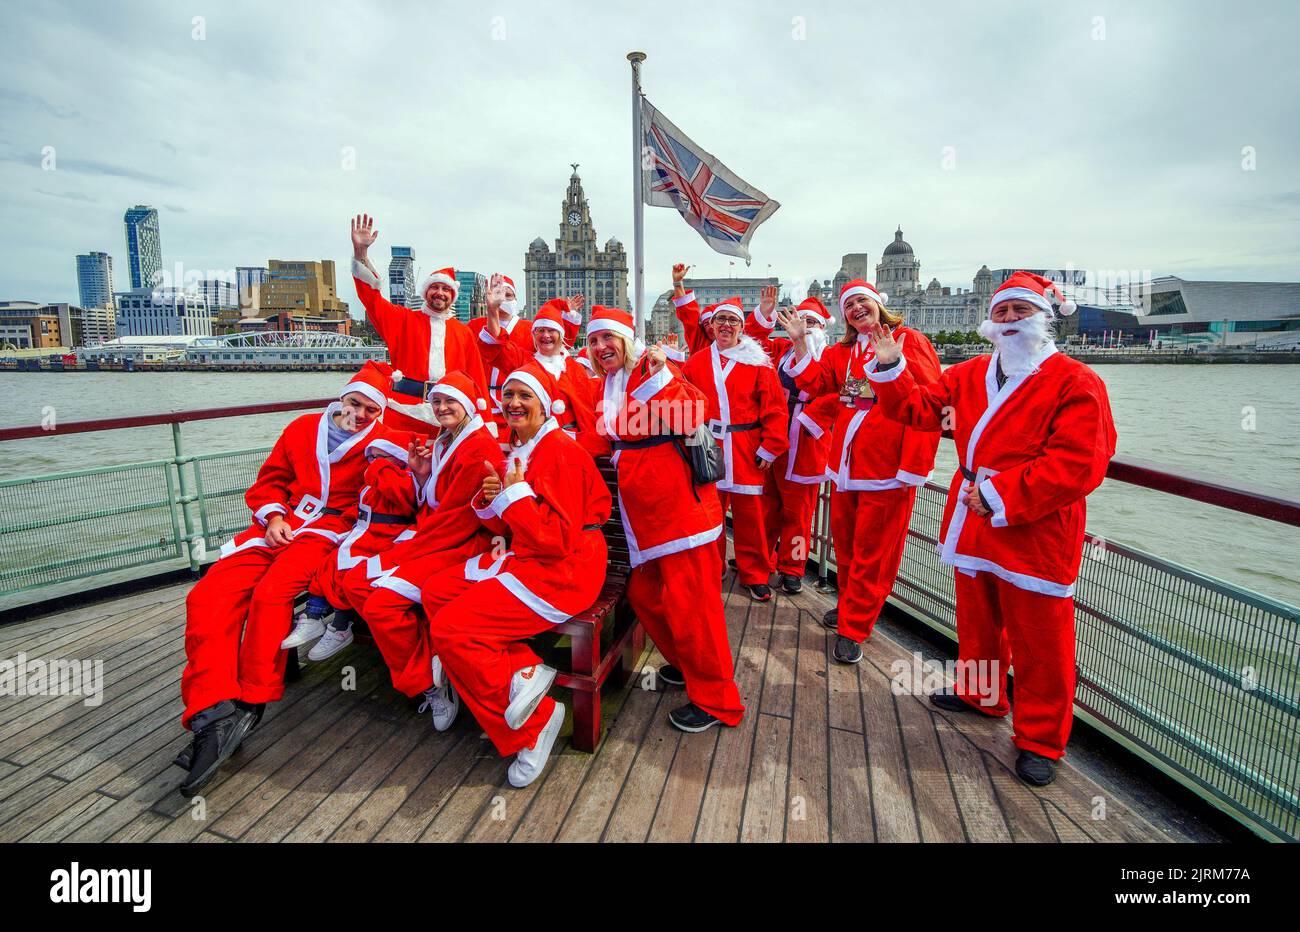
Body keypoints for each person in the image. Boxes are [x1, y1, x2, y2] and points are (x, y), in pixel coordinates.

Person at [863, 271, 1116, 787]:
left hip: (1036, 525)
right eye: (1001, 313)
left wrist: (1002, 494)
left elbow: (1081, 463)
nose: (1008, 322)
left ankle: (1041, 738)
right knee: (977, 618)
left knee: (1041, 638)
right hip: (974, 516)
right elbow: (916, 411)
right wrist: (890, 365)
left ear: (1044, 319)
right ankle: (983, 692)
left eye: (1019, 312)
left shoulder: (1077, 381)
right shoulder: (970, 373)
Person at [176, 367, 393, 797]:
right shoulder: (301, 428)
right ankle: (210, 708)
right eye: (355, 404)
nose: (361, 414)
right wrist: (273, 515)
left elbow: (414, 470)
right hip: (282, 523)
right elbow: (271, 479)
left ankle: (253, 698)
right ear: (342, 398)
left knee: (270, 595)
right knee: (209, 596)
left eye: (371, 409)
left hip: (330, 532)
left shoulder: (382, 442)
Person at [420, 362, 611, 787]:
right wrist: (494, 501)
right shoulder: (519, 448)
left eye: (525, 396)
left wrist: (513, 498)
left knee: (452, 630)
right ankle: (524, 670)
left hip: (565, 571)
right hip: (528, 558)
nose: (513, 403)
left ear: (545, 405)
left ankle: (536, 724)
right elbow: (511, 526)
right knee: (435, 592)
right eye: (508, 394)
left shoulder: (560, 451)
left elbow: (556, 540)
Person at [586, 305, 745, 734]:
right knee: (646, 594)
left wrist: (659, 376)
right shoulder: (608, 384)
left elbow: (694, 412)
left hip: (681, 515)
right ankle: (686, 663)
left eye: (609, 339)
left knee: (695, 609)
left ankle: (718, 701)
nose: (602, 347)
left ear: (625, 341)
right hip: (645, 517)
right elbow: (603, 437)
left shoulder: (653, 371)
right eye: (594, 340)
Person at [777, 280, 942, 664]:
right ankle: (853, 607)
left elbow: (931, 400)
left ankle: (854, 628)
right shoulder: (843, 350)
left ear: (878, 304)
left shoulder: (909, 340)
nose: (855, 309)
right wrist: (801, 343)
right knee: (847, 547)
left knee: (875, 554)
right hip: (845, 465)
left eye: (861, 301)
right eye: (848, 304)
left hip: (888, 468)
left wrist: (891, 365)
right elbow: (818, 386)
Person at [349, 372, 503, 729]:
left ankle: (427, 685)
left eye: (450, 401)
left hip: (465, 543)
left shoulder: (478, 447)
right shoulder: (445, 440)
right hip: (438, 534)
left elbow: (460, 517)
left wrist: (412, 547)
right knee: (355, 581)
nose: (442, 408)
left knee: (381, 603)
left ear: (467, 404)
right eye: (436, 402)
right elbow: (435, 501)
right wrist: (420, 476)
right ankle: (429, 659)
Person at [680, 296, 788, 601]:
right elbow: (684, 403)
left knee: (750, 514)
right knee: (710, 514)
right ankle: (713, 569)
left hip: (746, 446)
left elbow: (775, 407)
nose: (726, 326)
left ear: (742, 327)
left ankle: (754, 572)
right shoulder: (697, 362)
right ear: (712, 326)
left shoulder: (758, 362)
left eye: (733, 321)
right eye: (720, 320)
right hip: (708, 447)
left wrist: (771, 447)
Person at [281, 433, 417, 661]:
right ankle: (313, 617)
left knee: (348, 572)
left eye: (381, 457)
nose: (374, 463)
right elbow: (359, 508)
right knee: (326, 566)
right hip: (360, 535)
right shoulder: (371, 485)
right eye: (371, 458)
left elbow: (404, 498)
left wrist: (379, 469)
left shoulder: (401, 481)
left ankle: (341, 626)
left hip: (384, 541)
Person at [349, 213, 488, 431]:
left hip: (449, 417)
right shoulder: (402, 319)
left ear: (453, 296)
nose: (440, 293)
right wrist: (361, 253)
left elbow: (476, 380)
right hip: (404, 412)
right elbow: (371, 299)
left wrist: (484, 422)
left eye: (446, 289)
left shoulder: (463, 333)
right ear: (425, 291)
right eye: (435, 287)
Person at [745, 287, 840, 594]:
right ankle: (762, 559)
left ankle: (792, 567)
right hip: (774, 440)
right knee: (766, 506)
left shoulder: (833, 357)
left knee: (799, 515)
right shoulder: (782, 349)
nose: (807, 328)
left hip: (807, 444)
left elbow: (842, 395)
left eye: (813, 324)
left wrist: (811, 420)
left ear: (824, 328)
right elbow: (750, 345)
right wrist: (765, 312)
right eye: (803, 321)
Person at [478, 279, 604, 454]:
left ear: (560, 335)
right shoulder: (524, 360)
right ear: (534, 335)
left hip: (569, 443)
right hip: (532, 445)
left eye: (551, 330)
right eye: (540, 331)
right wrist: (493, 312)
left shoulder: (572, 368)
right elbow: (496, 346)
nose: (545, 335)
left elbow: (586, 407)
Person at [669, 263, 716, 353]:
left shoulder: (744, 351)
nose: (711, 327)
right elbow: (688, 314)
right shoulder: (702, 344)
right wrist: (677, 284)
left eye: (732, 320)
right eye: (706, 324)